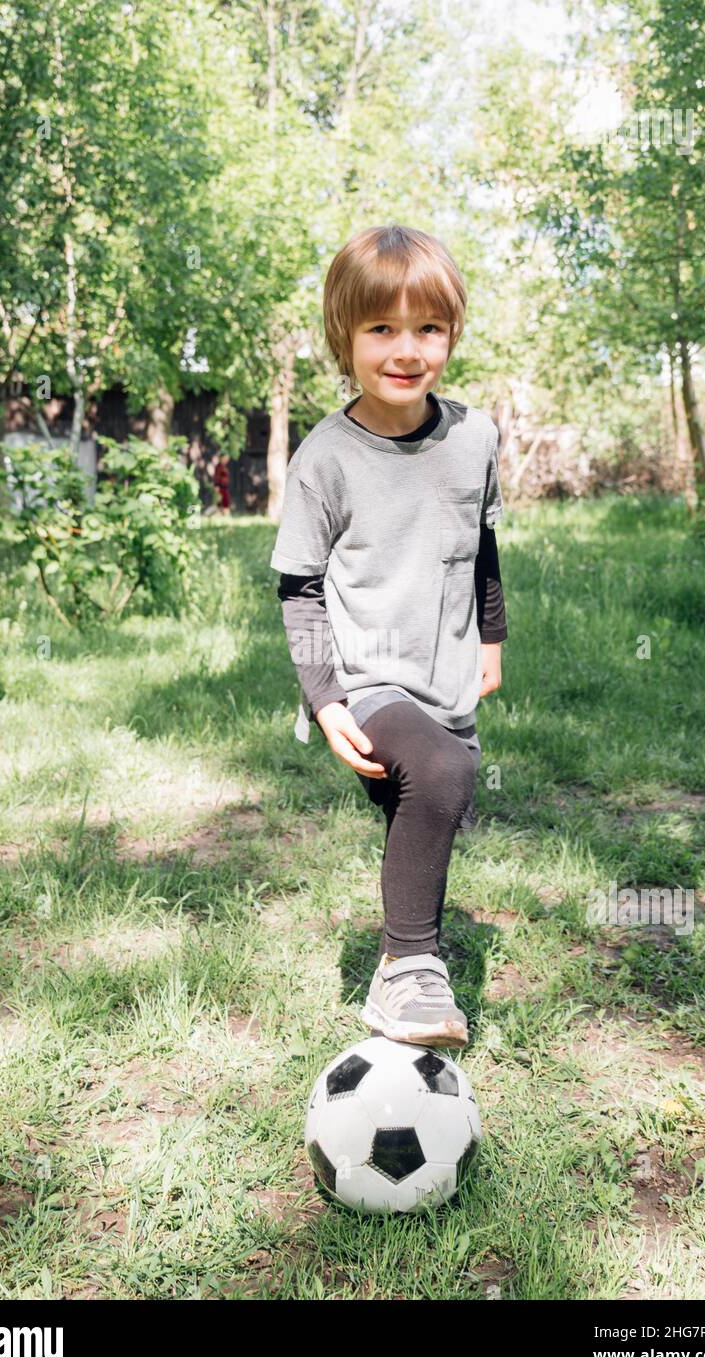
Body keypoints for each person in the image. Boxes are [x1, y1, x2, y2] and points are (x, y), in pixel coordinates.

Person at [269, 224, 507, 1050]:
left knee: (447, 786)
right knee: (436, 773)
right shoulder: (325, 460)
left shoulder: (475, 438)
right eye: (381, 329)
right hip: (364, 678)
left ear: (451, 334)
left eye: (427, 329)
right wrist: (325, 700)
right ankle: (406, 970)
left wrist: (491, 640)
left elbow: (481, 546)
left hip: (444, 673)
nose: (406, 350)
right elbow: (298, 592)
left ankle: (413, 943)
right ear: (346, 338)